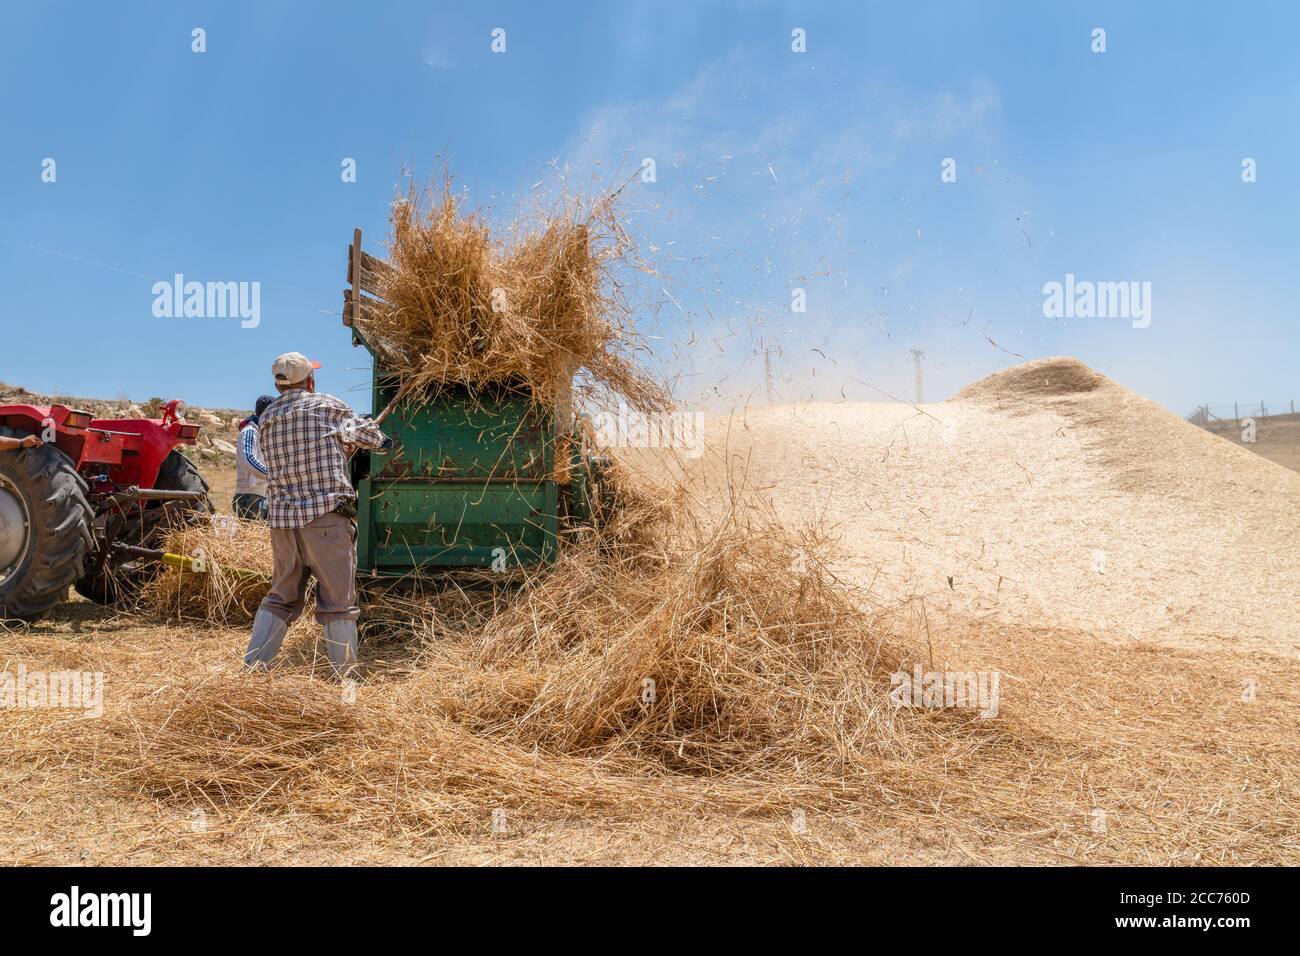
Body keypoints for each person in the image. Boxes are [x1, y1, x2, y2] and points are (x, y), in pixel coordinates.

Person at [243, 352, 389, 677]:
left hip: (282, 524)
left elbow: (298, 454)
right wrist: (378, 438)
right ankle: (345, 679)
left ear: (279, 385)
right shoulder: (327, 405)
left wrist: (338, 447)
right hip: (324, 519)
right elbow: (373, 439)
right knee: (338, 601)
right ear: (311, 380)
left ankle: (253, 670)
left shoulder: (267, 418)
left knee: (281, 597)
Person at [232, 395, 275, 520]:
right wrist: (273, 474)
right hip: (250, 497)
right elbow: (249, 459)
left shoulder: (262, 432)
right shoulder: (250, 431)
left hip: (262, 495)